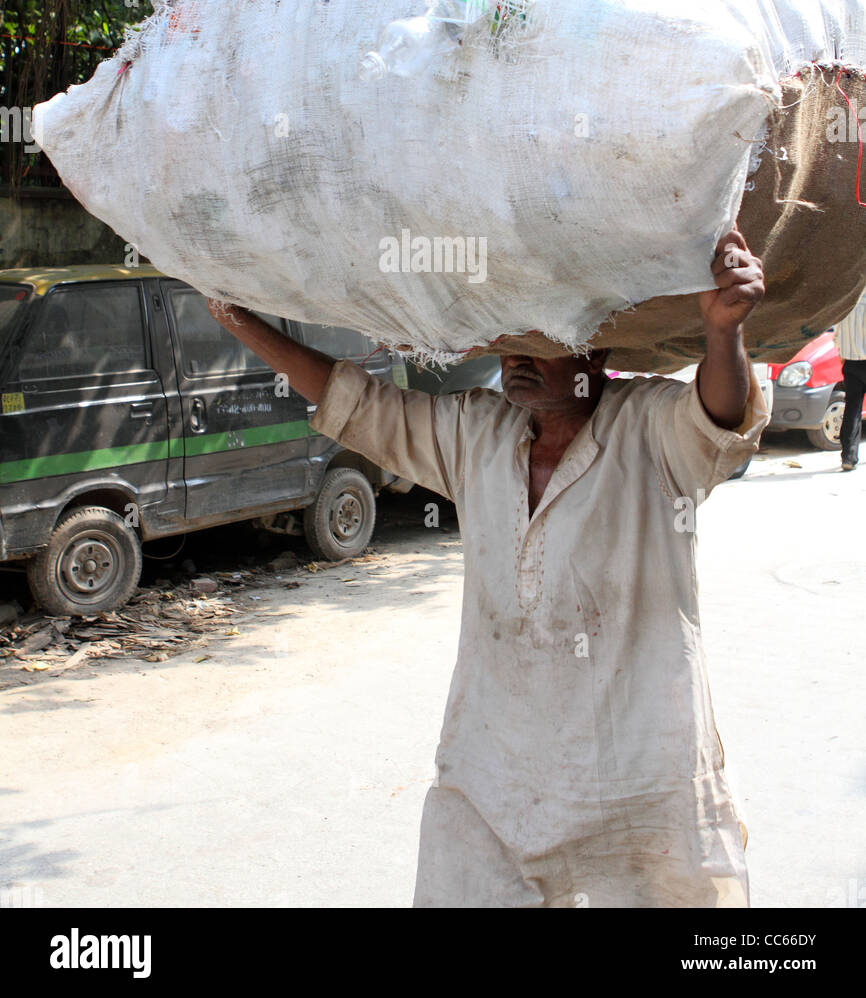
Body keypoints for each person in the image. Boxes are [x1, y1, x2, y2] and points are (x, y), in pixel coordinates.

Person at [207, 227, 769, 908]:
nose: (518, 361)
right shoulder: (479, 433)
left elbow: (720, 416)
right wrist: (234, 315)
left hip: (639, 779)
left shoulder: (649, 428)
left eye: (541, 345)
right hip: (493, 777)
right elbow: (359, 405)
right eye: (508, 344)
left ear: (596, 351)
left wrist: (723, 332)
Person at [834, 284, 866, 471]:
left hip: (851, 363)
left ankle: (848, 457)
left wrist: (843, 354)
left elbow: (837, 336)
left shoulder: (845, 304)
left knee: (852, 408)